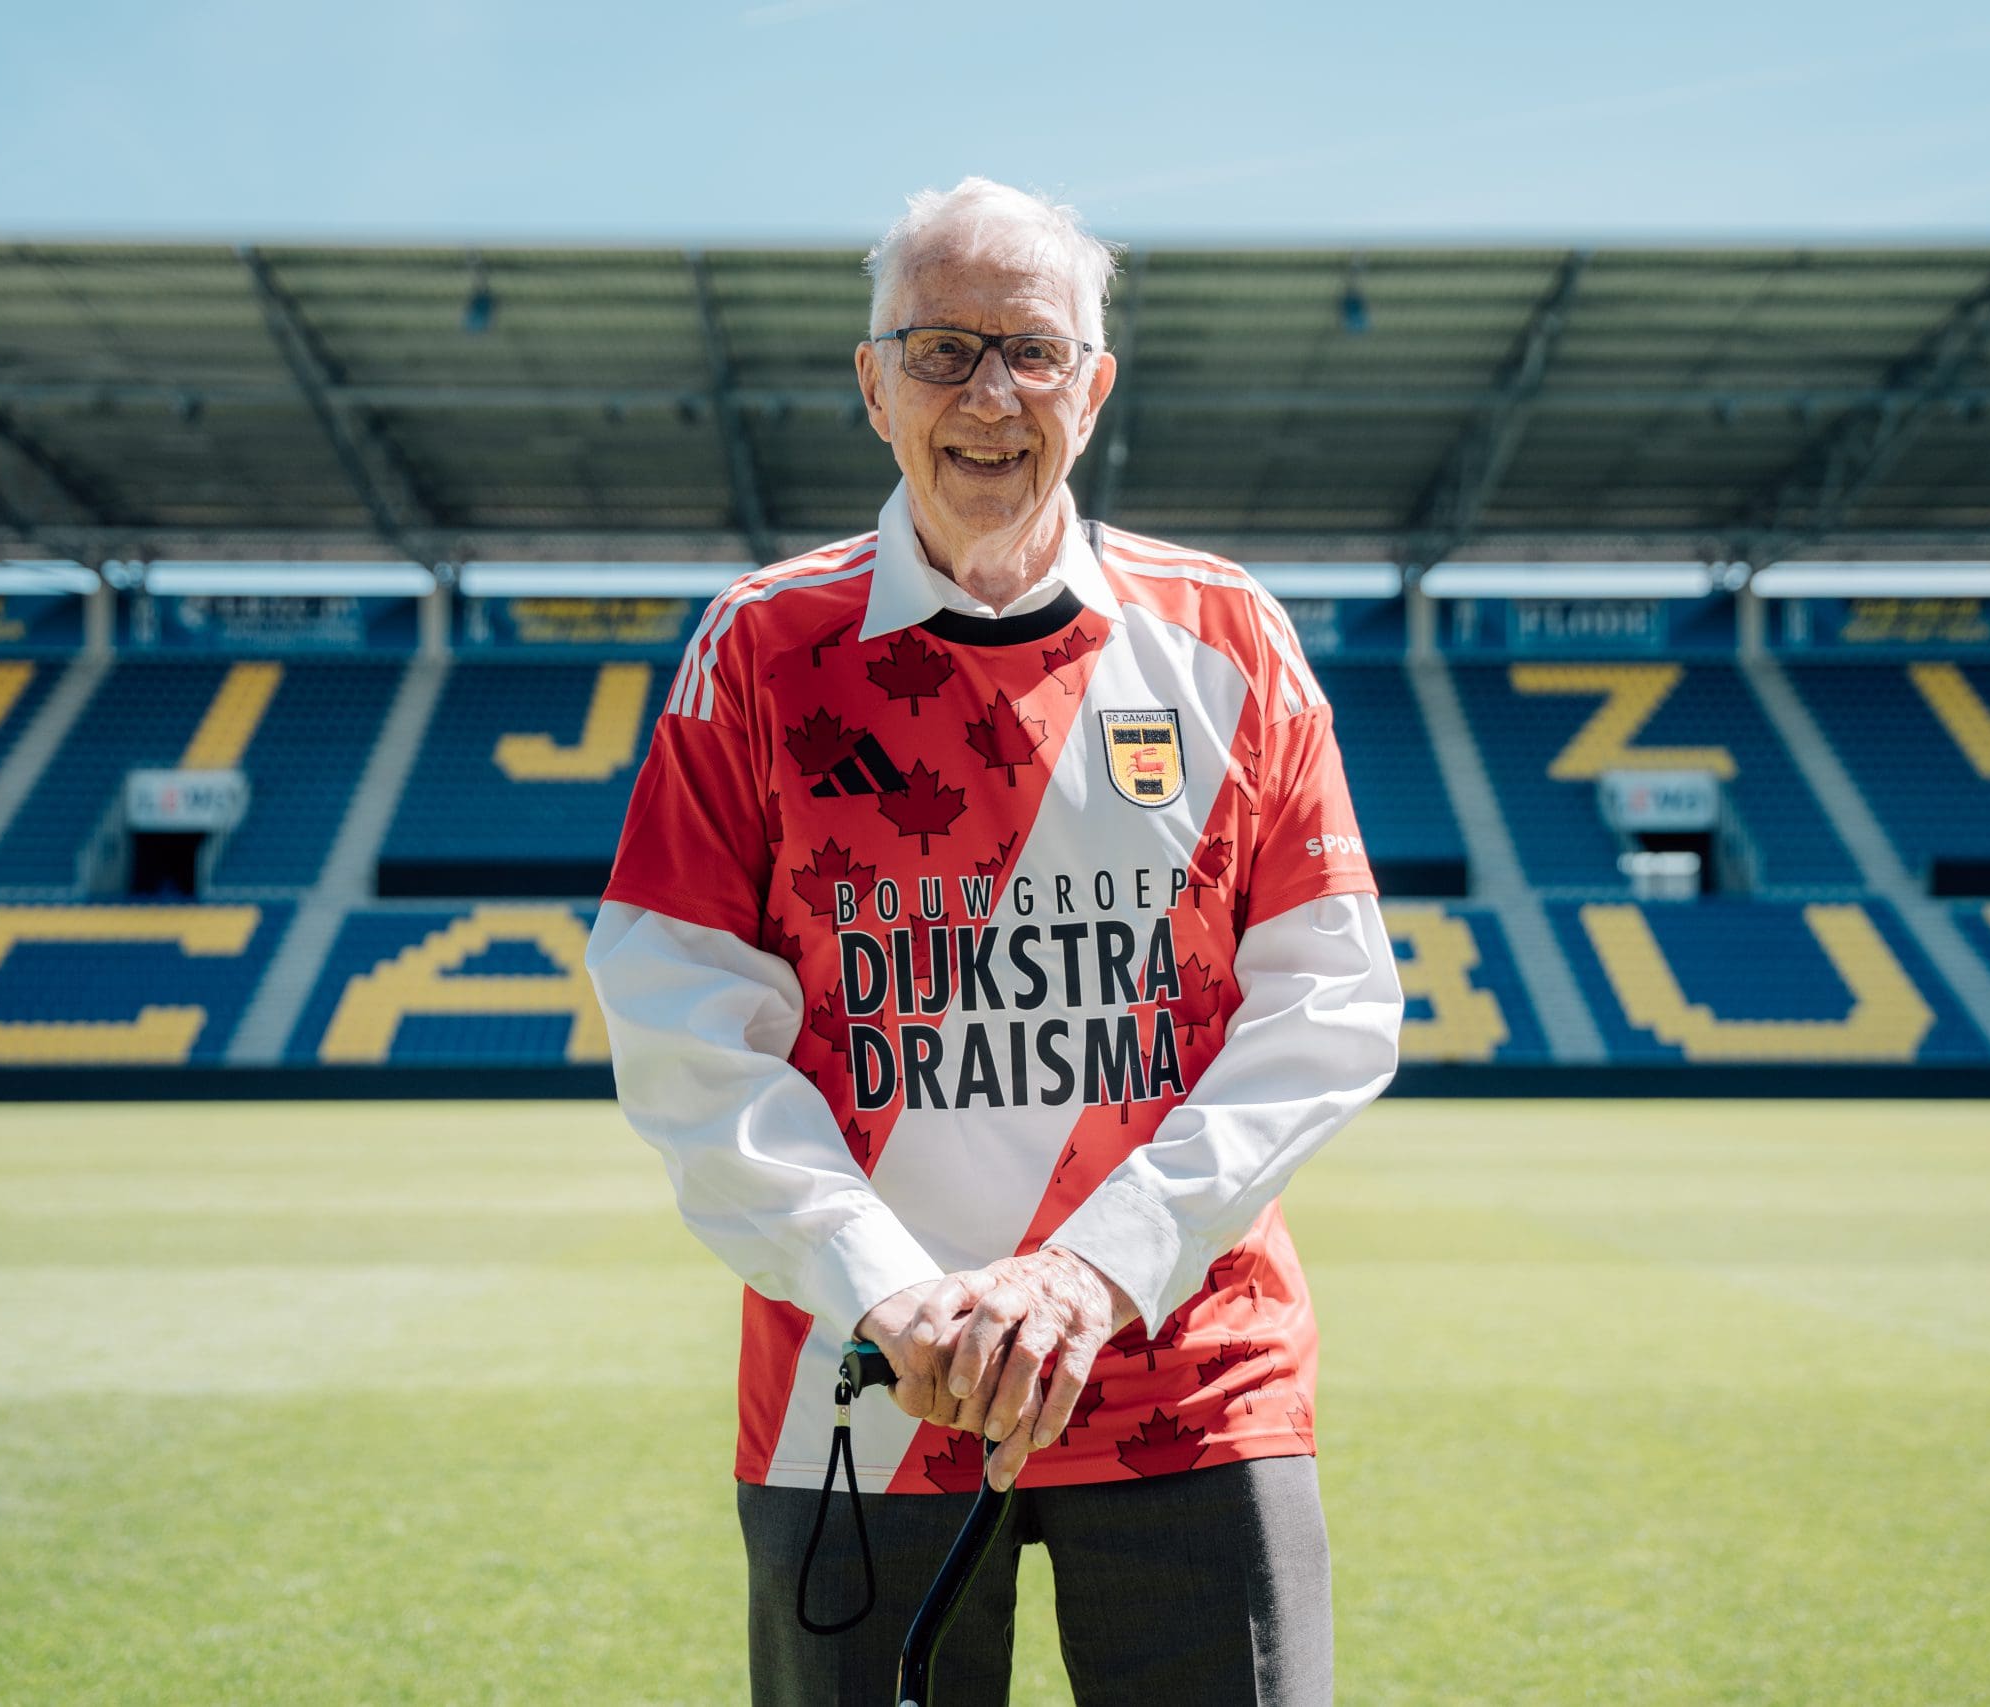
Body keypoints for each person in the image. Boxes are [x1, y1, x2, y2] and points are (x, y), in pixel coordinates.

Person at [586, 177, 1403, 1705]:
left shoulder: (1228, 635)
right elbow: (675, 1009)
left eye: (1032, 351)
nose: (989, 395)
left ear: (1093, 387)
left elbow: (1331, 1005)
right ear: (873, 383)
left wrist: (1095, 1272)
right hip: (865, 1385)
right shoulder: (758, 649)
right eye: (943, 349)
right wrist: (882, 1284)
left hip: (1183, 1381)